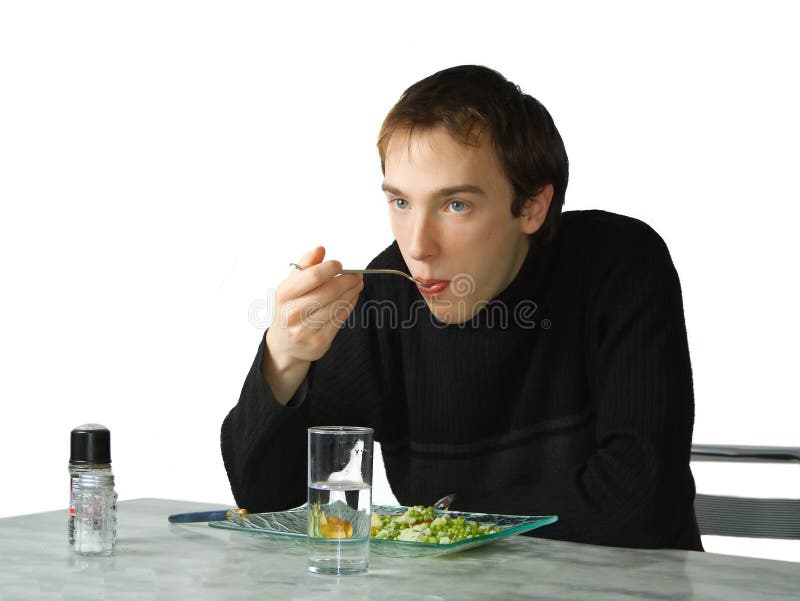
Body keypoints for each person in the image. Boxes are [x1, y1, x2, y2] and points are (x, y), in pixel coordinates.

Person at [221, 65, 703, 551]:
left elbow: (641, 503)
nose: (418, 247)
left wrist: (446, 514)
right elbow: (267, 501)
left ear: (532, 206)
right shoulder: (390, 295)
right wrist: (284, 360)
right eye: (401, 203)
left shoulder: (619, 265)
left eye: (456, 206)